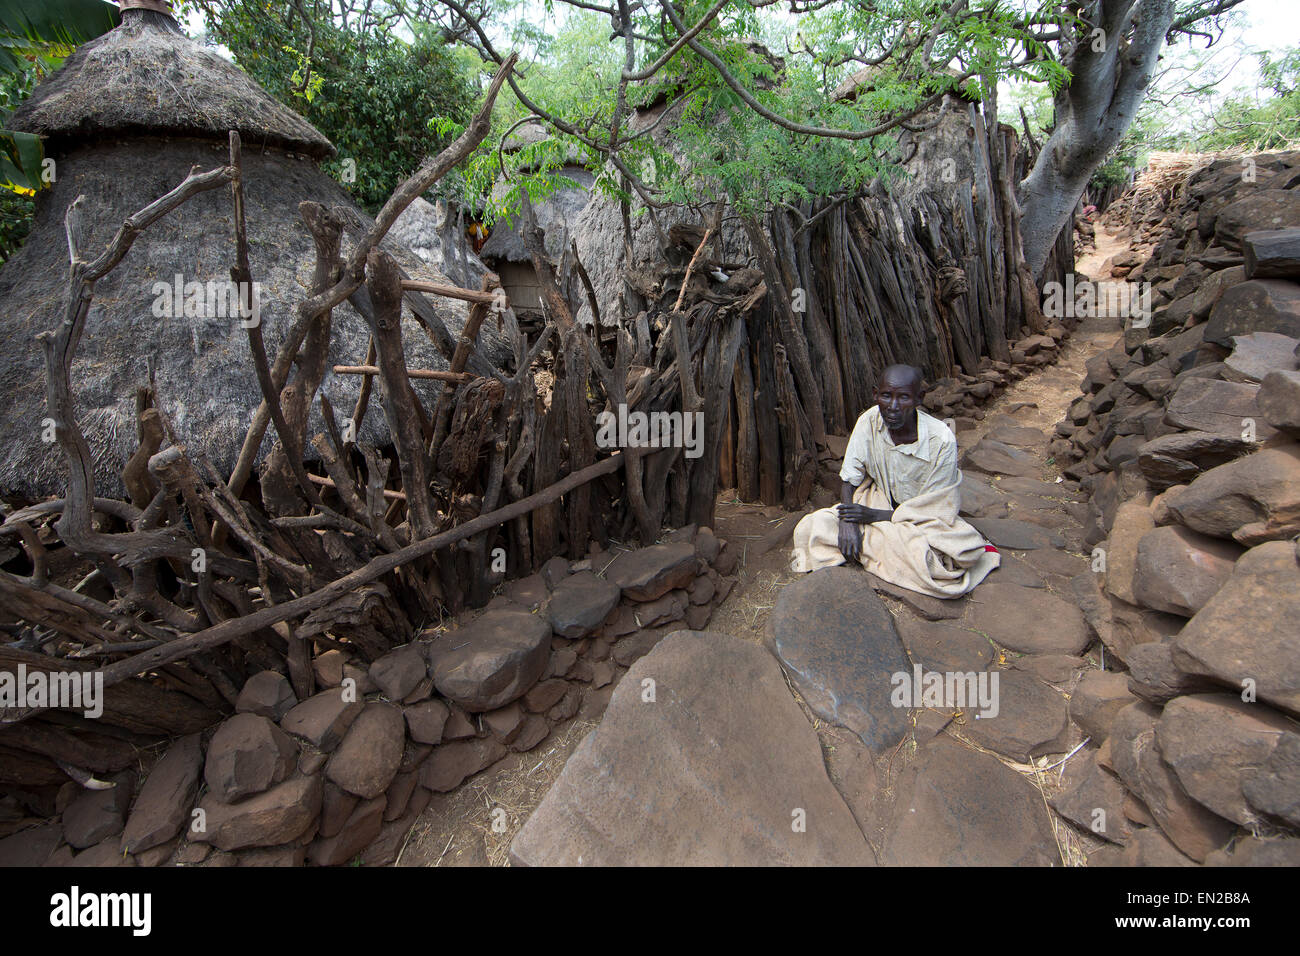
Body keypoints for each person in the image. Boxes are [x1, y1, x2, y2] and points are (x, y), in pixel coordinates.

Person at [789, 364, 999, 598]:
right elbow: (849, 480)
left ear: (919, 398)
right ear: (875, 394)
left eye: (904, 398)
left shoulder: (941, 439)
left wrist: (873, 517)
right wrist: (848, 522)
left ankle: (871, 551)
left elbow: (938, 508)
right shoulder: (868, 422)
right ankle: (882, 551)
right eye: (887, 396)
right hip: (878, 501)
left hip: (923, 520)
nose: (893, 407)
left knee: (944, 558)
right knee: (814, 525)